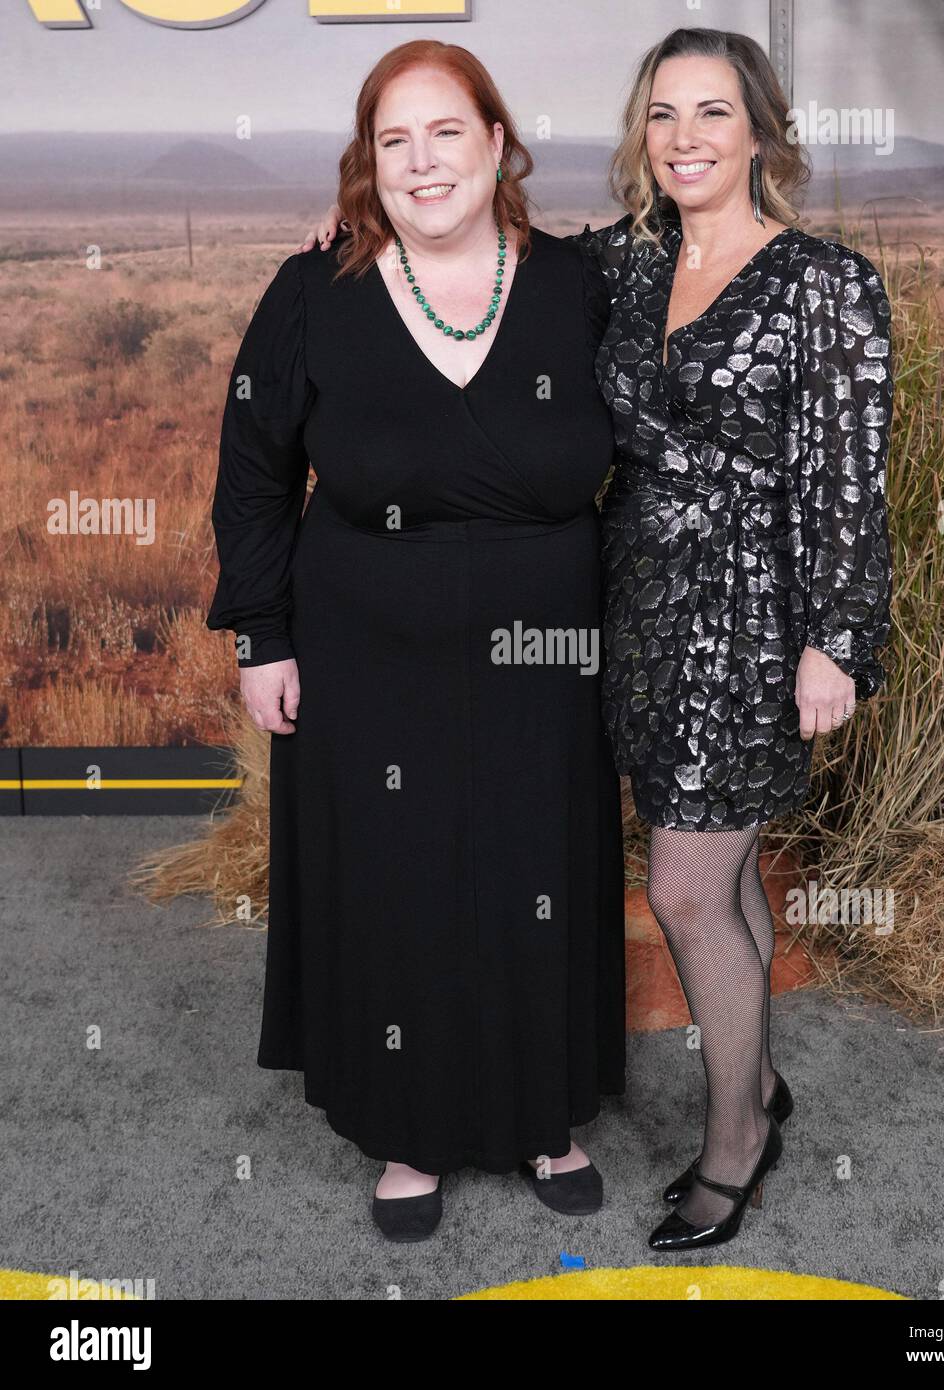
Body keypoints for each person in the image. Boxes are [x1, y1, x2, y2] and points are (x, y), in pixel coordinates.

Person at [305, 26, 894, 1251]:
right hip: (625, 615)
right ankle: (759, 1078)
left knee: (683, 889)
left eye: (712, 115)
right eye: (663, 116)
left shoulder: (823, 281)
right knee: (717, 875)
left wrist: (833, 642)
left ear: (759, 132)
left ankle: (734, 1142)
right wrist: (360, 223)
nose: (684, 139)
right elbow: (485, 254)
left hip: (746, 623)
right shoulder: (621, 269)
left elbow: (848, 483)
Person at [206, 39, 627, 1244]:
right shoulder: (311, 292)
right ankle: (408, 1128)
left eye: (446, 132)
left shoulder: (578, 283)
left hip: (547, 643)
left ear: (497, 144)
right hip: (362, 645)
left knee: (531, 868)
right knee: (395, 875)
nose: (422, 161)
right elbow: (254, 472)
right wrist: (262, 636)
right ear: (368, 164)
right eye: (394, 141)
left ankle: (546, 1114)